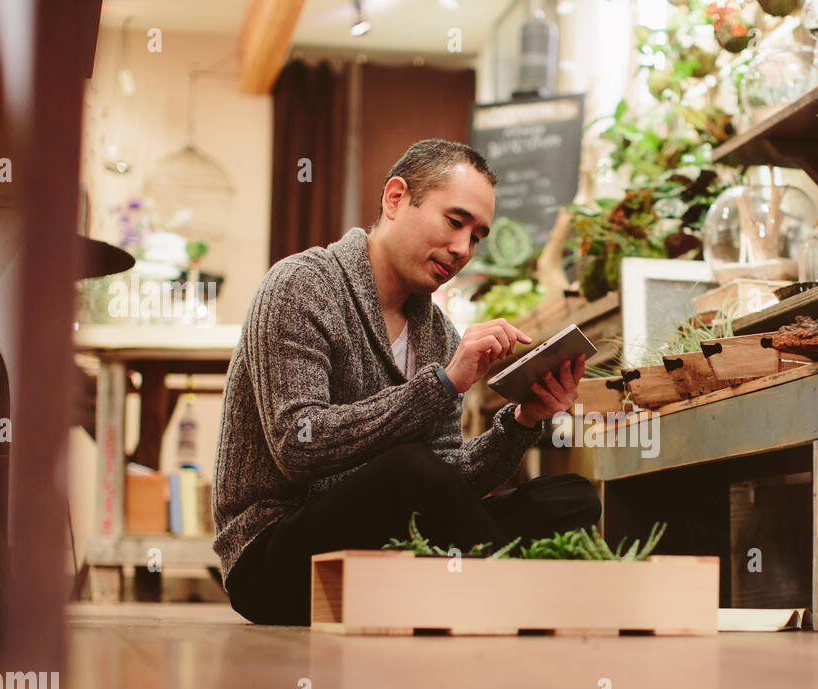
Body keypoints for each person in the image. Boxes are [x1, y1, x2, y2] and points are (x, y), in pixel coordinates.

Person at [213, 139, 600, 625]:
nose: (463, 249)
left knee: (568, 497)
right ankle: (506, 595)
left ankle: (479, 585)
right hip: (275, 559)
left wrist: (524, 422)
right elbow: (298, 445)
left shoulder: (438, 334)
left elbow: (447, 481)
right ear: (395, 199)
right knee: (409, 469)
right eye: (454, 222)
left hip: (388, 547)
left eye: (477, 236)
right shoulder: (300, 284)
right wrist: (442, 385)